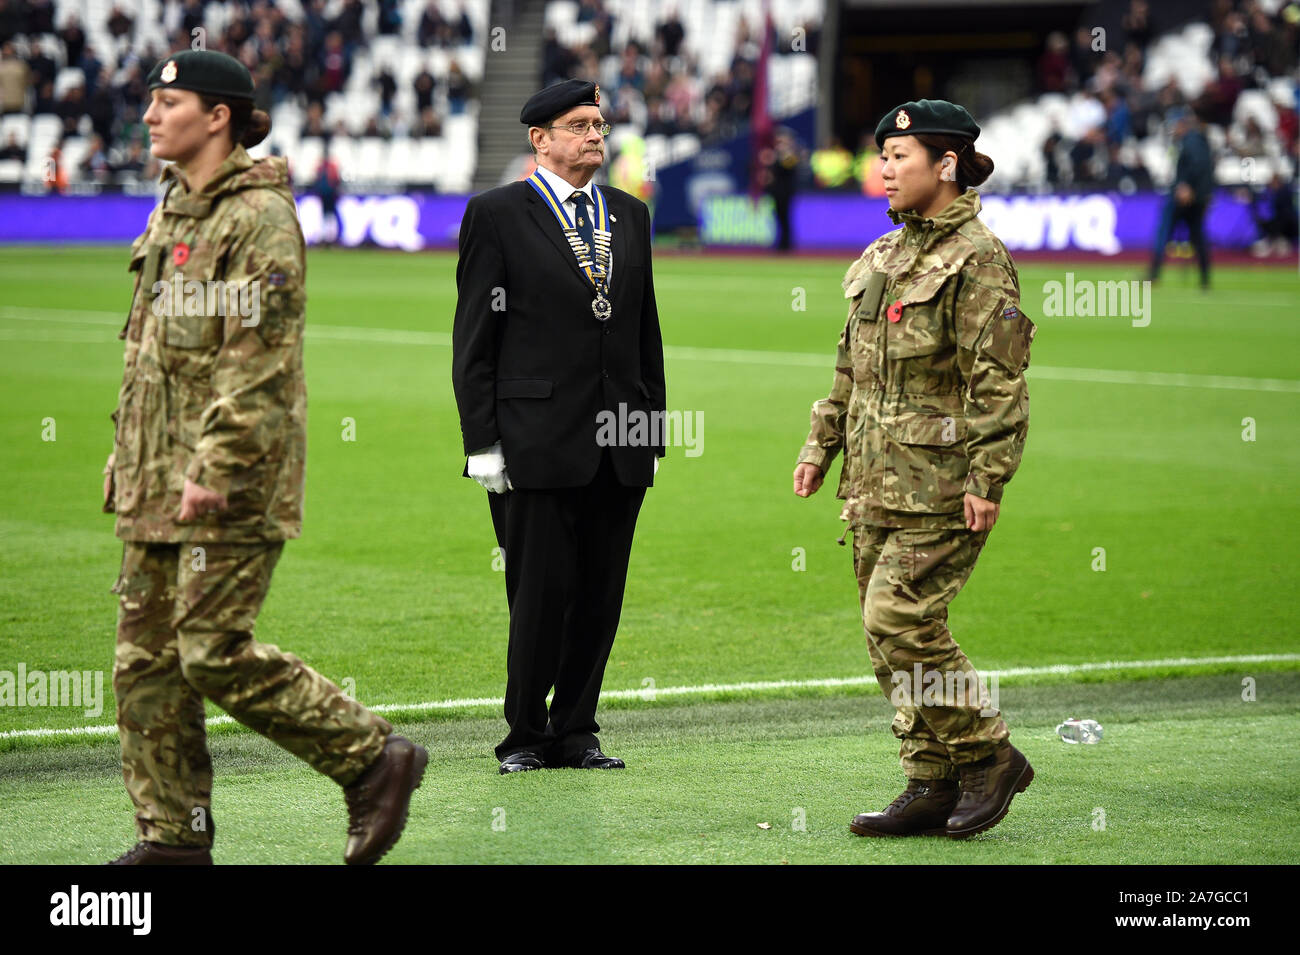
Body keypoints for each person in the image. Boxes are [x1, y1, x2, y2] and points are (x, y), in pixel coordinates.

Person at [103, 50, 426, 865]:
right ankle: (174, 839)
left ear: (217, 116)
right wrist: (124, 448)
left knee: (210, 648)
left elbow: (260, 360)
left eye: (167, 101)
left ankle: (371, 758)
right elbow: (145, 349)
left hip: (230, 479)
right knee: (145, 665)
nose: (149, 115)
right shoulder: (173, 207)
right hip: (154, 475)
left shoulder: (260, 218)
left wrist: (214, 465)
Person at [792, 99, 1036, 839]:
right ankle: (929, 777)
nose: (885, 169)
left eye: (900, 157)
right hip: (870, 480)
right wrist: (819, 443)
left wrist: (988, 479)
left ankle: (988, 752)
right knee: (887, 637)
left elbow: (998, 381)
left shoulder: (980, 258)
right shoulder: (883, 256)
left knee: (897, 617)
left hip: (940, 483)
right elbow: (850, 367)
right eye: (883, 156)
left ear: (946, 164)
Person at [451, 79, 665, 775]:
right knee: (540, 594)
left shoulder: (629, 217)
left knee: (601, 594)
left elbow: (644, 333)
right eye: (579, 124)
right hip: (533, 441)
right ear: (540, 139)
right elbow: (476, 339)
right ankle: (524, 734)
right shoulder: (497, 214)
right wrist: (481, 441)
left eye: (600, 123)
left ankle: (577, 729)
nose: (595, 135)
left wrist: (651, 430)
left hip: (618, 442)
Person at [1147, 107, 1213, 288]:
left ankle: (1154, 274)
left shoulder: (1190, 141)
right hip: (1195, 196)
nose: (1173, 129)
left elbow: (1198, 165)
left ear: (1181, 124)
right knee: (1197, 237)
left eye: (1174, 125)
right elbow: (1205, 167)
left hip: (1184, 196)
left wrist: (1186, 186)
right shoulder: (1195, 140)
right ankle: (1205, 279)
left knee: (1165, 232)